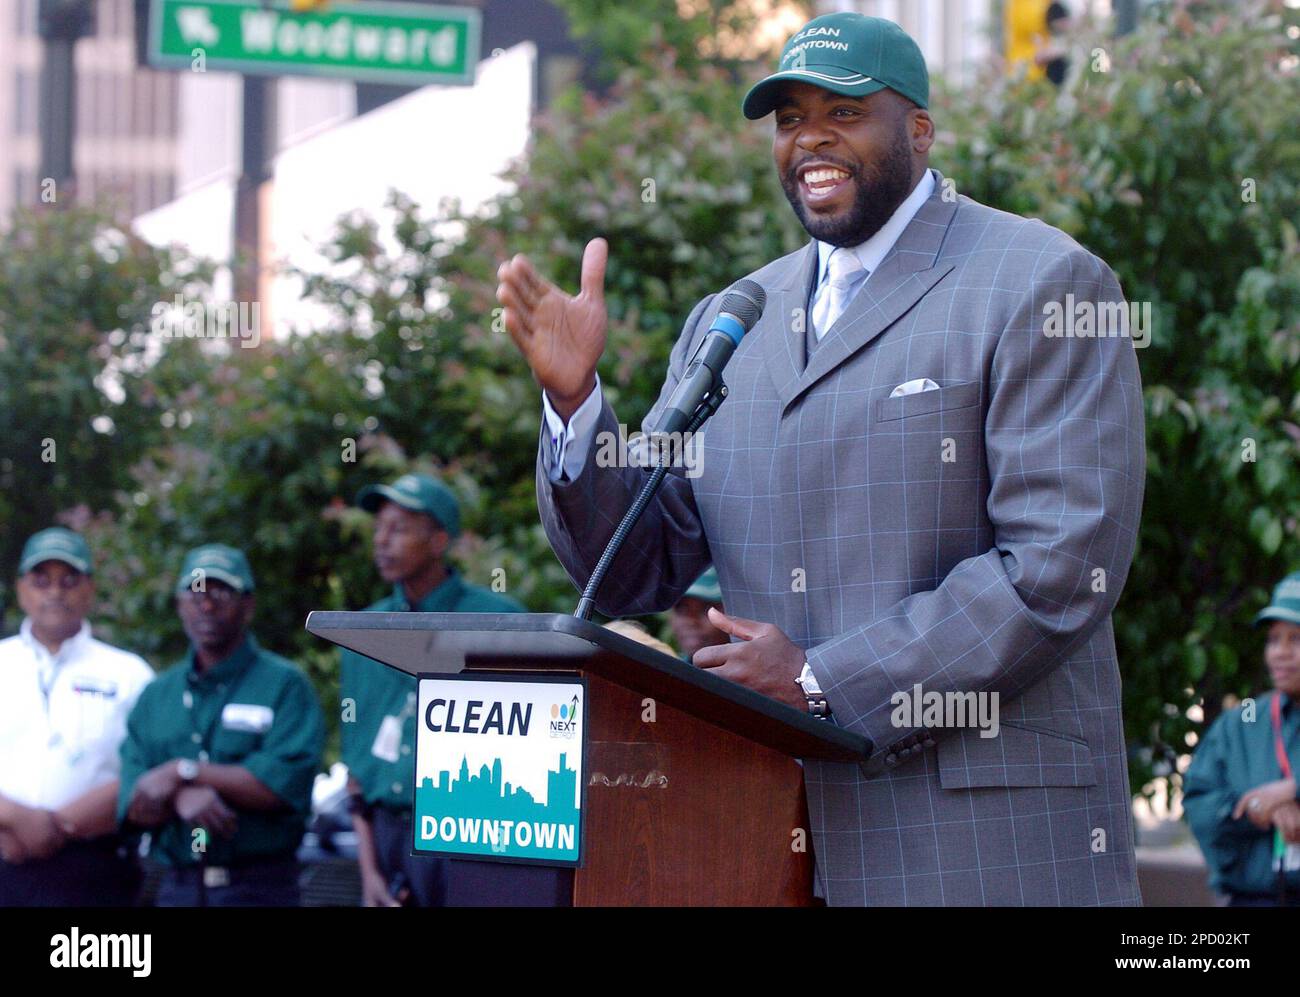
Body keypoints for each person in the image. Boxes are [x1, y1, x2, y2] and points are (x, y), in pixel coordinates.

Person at [499, 12, 1145, 906]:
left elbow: (1059, 567)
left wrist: (816, 681)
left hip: (981, 846)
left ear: (918, 130)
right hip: (761, 840)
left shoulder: (1040, 280)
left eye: (843, 112)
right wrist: (575, 406)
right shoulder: (738, 316)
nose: (810, 139)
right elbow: (634, 564)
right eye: (789, 117)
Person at [339, 473, 529, 907]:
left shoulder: (499, 619)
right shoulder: (360, 630)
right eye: (379, 528)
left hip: (472, 839)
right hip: (388, 840)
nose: (383, 541)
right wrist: (368, 872)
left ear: (439, 540)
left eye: (400, 529)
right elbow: (356, 773)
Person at [117, 544, 324, 906]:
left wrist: (182, 771)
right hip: (177, 888)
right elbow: (135, 802)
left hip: (261, 887)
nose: (207, 605)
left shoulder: (284, 684)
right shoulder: (156, 696)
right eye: (195, 593)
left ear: (249, 605)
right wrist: (182, 795)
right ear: (180, 604)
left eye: (221, 592)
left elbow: (281, 785)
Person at [0, 528, 154, 906]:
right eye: (42, 580)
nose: (55, 591)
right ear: (21, 589)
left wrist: (61, 826)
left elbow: (151, 767)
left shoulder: (129, 674)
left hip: (95, 868)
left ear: (89, 589)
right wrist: (12, 819)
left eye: (69, 580)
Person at [1183, 572, 1300, 906]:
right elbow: (1199, 803)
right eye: (1274, 639)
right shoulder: (1242, 723)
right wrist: (1254, 811)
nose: (1281, 652)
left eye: (1296, 638)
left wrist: (1292, 789)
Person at [669, 568, 727, 661]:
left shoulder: (756, 673)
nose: (691, 622)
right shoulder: (665, 672)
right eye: (681, 609)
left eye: (707, 609)